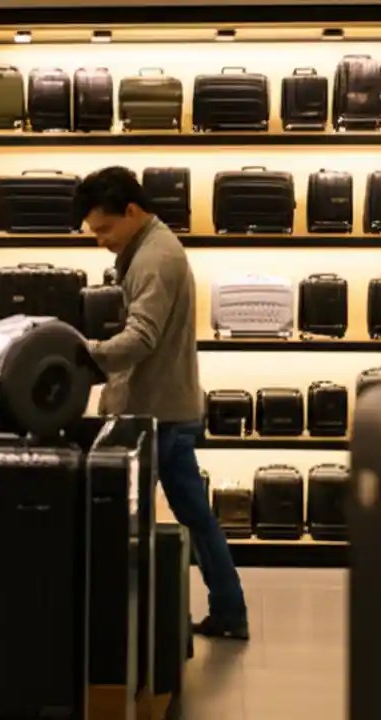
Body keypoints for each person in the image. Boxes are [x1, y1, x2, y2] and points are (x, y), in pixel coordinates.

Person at [74, 166, 249, 640]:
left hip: (154, 415)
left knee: (126, 523)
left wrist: (81, 354)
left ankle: (131, 630)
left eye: (104, 229)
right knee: (194, 515)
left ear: (132, 211)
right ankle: (227, 612)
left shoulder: (154, 258)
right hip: (165, 408)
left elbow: (140, 338)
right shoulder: (152, 247)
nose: (100, 240)